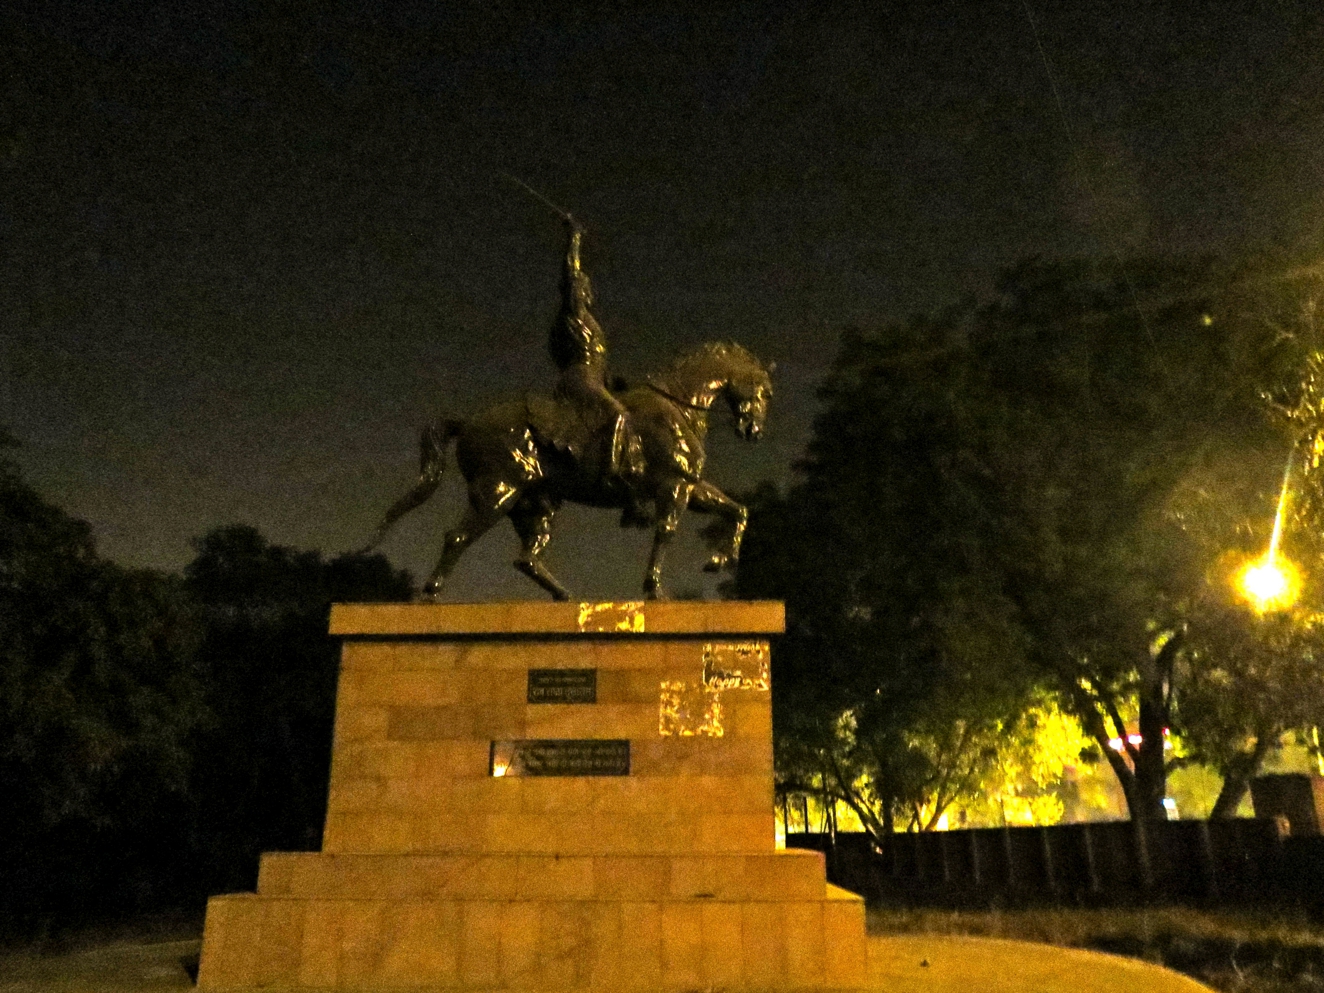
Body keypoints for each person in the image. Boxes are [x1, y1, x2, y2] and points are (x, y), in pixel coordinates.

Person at [549, 218, 645, 484]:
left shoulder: (591, 322)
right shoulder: (574, 314)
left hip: (593, 377)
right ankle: (612, 466)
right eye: (582, 288)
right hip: (577, 377)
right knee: (618, 413)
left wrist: (612, 380)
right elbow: (571, 272)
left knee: (629, 408)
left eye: (587, 288)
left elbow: (599, 360)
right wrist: (575, 239)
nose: (586, 292)